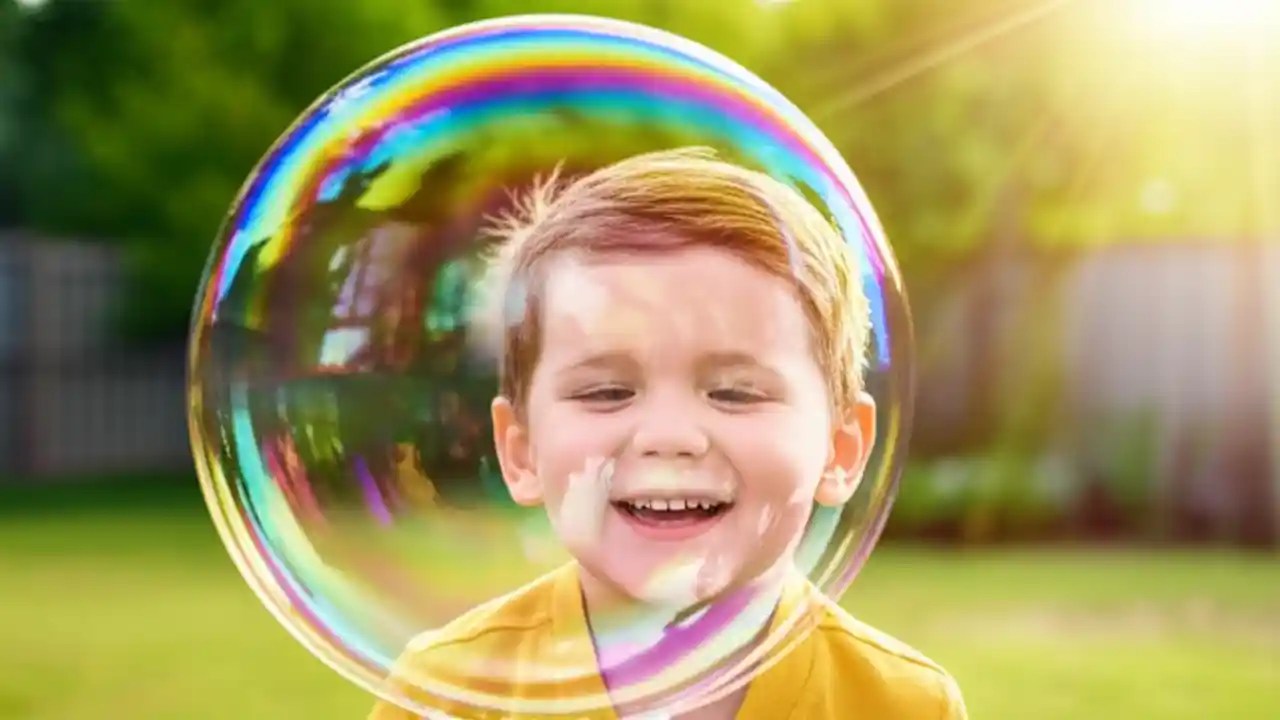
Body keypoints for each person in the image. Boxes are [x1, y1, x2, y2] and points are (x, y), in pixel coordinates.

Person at [367, 147, 966, 719]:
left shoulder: (906, 706)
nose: (670, 436)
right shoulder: (446, 696)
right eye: (605, 392)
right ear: (521, 450)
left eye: (735, 392)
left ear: (841, 448)